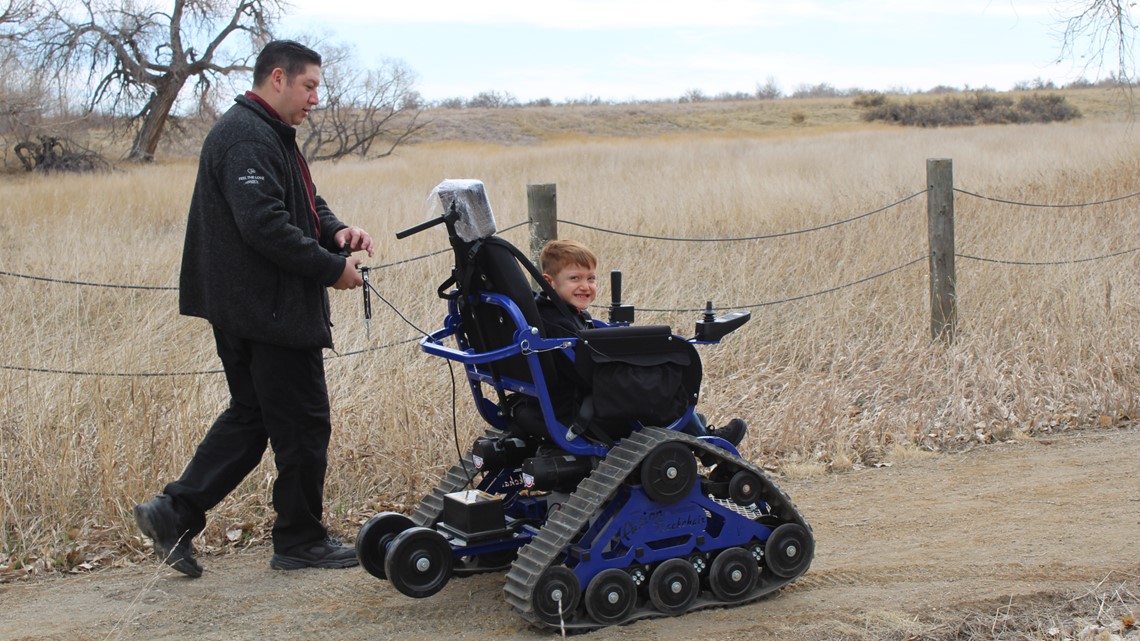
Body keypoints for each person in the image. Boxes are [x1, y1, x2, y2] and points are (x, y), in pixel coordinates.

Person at [133, 40, 374, 577]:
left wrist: (335, 230)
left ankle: (175, 511)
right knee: (304, 424)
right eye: (309, 86)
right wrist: (331, 269)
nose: (316, 97)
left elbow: (301, 203)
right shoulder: (246, 135)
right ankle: (300, 540)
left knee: (253, 415)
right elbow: (263, 224)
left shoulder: (266, 132)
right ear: (279, 78)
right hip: (268, 311)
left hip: (249, 306)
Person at [535, 240, 746, 446]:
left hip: (566, 401)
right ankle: (705, 444)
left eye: (591, 278)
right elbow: (587, 367)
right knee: (662, 382)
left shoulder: (551, 313)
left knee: (651, 378)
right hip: (585, 412)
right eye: (575, 278)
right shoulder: (559, 325)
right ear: (549, 282)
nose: (585, 286)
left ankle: (691, 429)